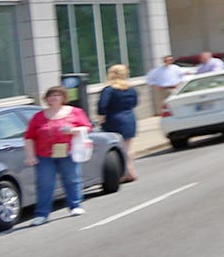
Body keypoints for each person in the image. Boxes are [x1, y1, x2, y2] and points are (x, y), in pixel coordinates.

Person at [24, 85, 92, 223]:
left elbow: (87, 127)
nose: (54, 98)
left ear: (63, 98)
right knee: (44, 183)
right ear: (46, 99)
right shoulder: (38, 117)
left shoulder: (75, 112)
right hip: (44, 155)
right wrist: (30, 156)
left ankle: (75, 205)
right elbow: (29, 137)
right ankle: (42, 214)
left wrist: (74, 130)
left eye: (57, 95)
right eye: (51, 96)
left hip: (68, 152)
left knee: (72, 179)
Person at [98, 63, 140, 184]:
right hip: (130, 118)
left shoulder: (109, 90)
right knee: (127, 147)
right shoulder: (131, 89)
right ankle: (129, 171)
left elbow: (102, 106)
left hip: (114, 119)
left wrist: (101, 119)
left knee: (119, 148)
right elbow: (135, 103)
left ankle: (129, 173)